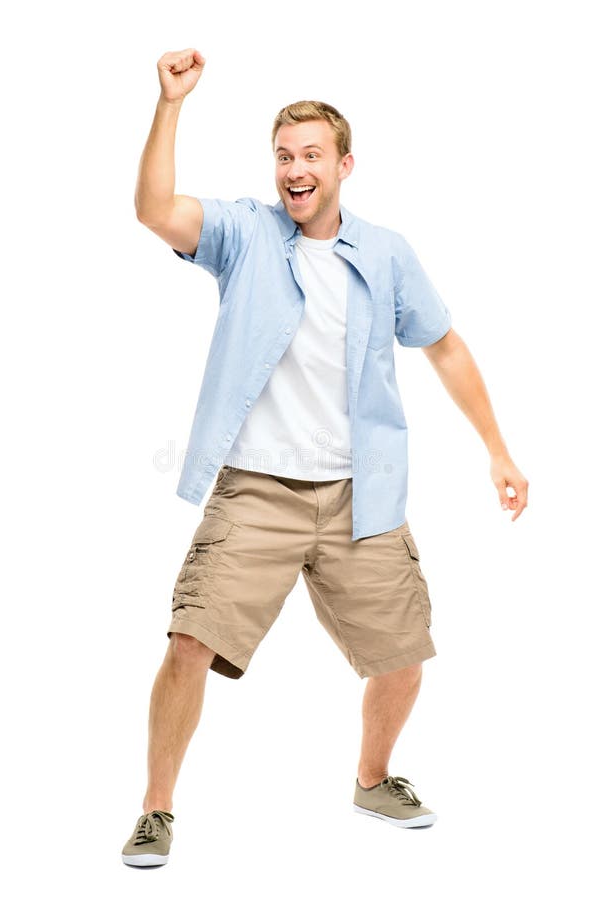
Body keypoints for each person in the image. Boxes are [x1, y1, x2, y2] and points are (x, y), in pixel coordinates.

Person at [122, 48, 529, 867]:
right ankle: (156, 811)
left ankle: (373, 780)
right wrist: (170, 105)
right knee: (188, 642)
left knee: (406, 657)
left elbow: (444, 347)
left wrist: (498, 450)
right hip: (256, 493)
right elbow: (155, 209)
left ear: (343, 165)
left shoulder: (385, 253)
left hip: (359, 496)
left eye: (310, 155)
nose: (294, 170)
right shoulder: (243, 233)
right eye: (283, 156)